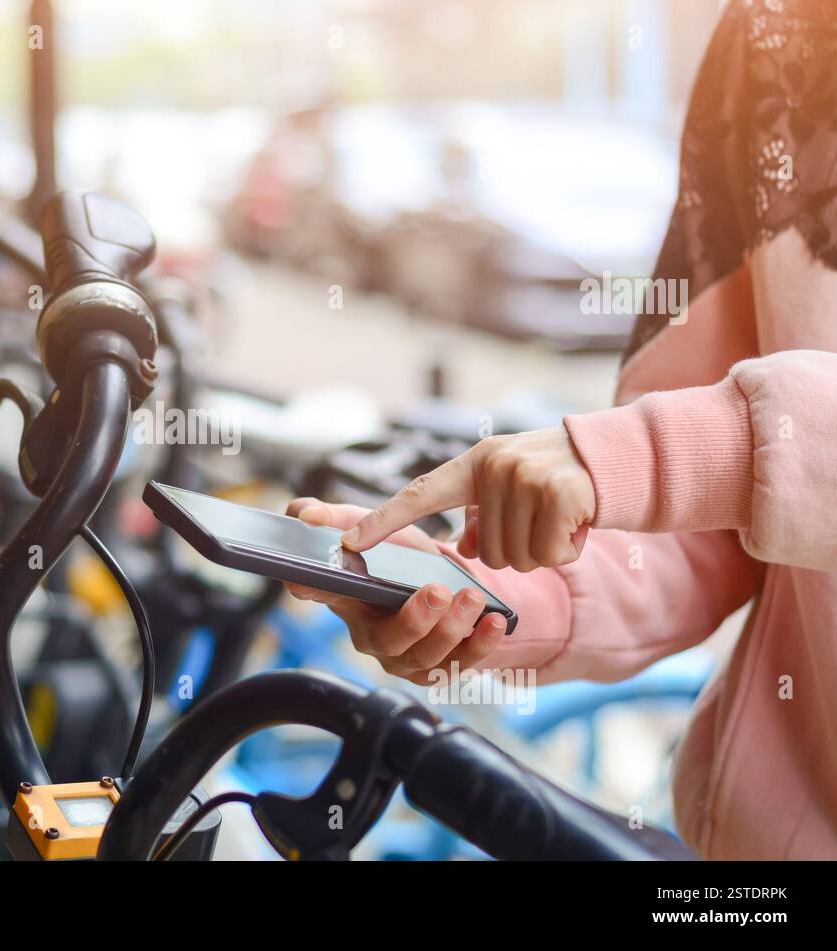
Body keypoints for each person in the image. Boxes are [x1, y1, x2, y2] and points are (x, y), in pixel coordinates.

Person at [286, 0, 837, 859]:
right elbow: (701, 526)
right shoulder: (774, 41)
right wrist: (488, 592)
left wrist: (648, 456)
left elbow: (686, 463)